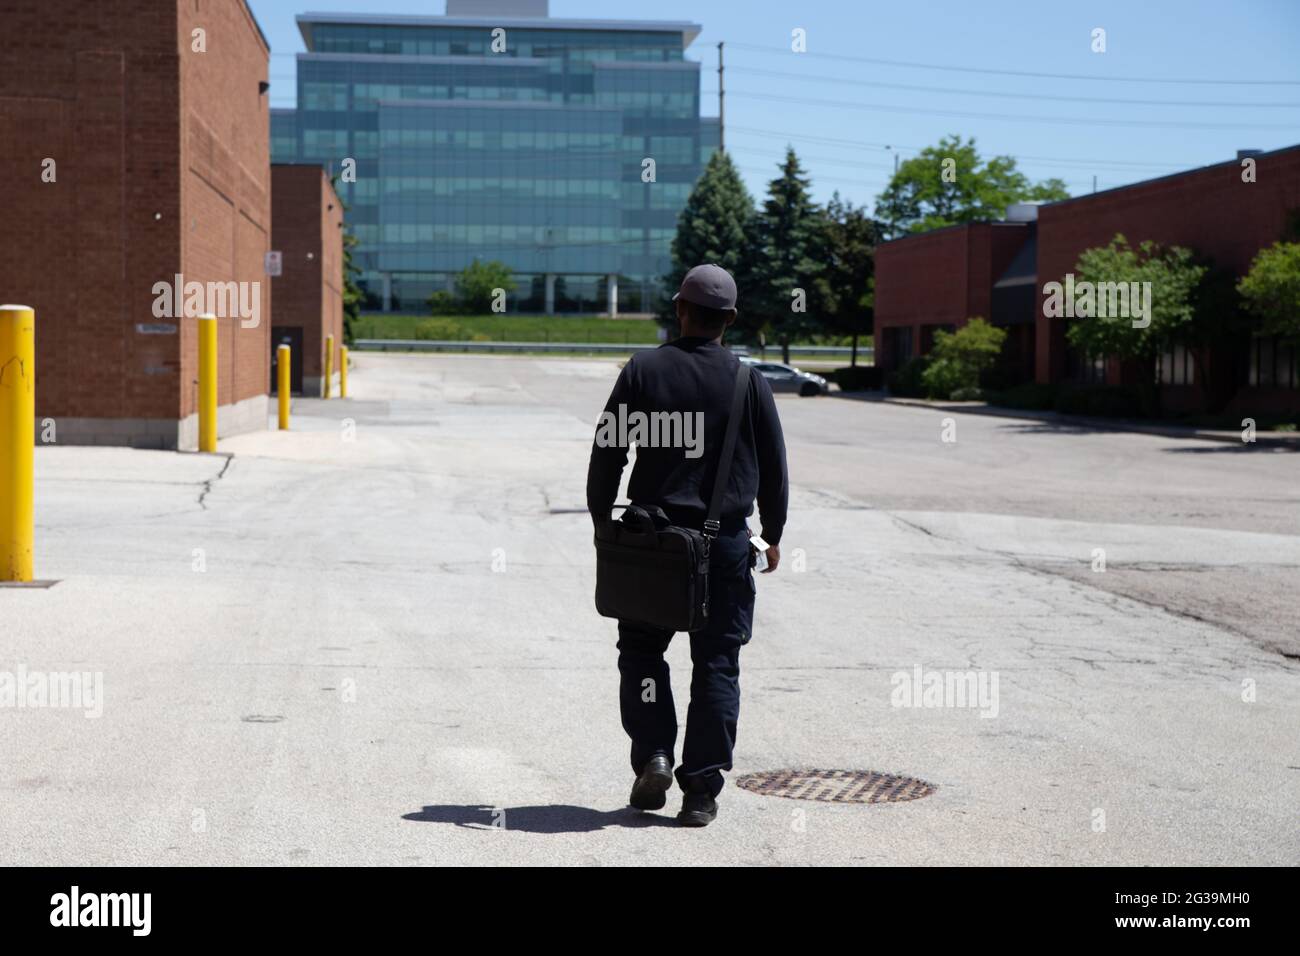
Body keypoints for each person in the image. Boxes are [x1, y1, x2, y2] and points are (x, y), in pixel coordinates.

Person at [586, 263, 788, 827]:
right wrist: (773, 532)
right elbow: (774, 466)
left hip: (652, 545)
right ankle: (699, 792)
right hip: (721, 544)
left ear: (680, 310)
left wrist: (603, 520)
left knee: (644, 655)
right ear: (730, 319)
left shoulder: (643, 369)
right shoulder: (750, 382)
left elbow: (608, 450)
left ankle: (653, 753)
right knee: (717, 664)